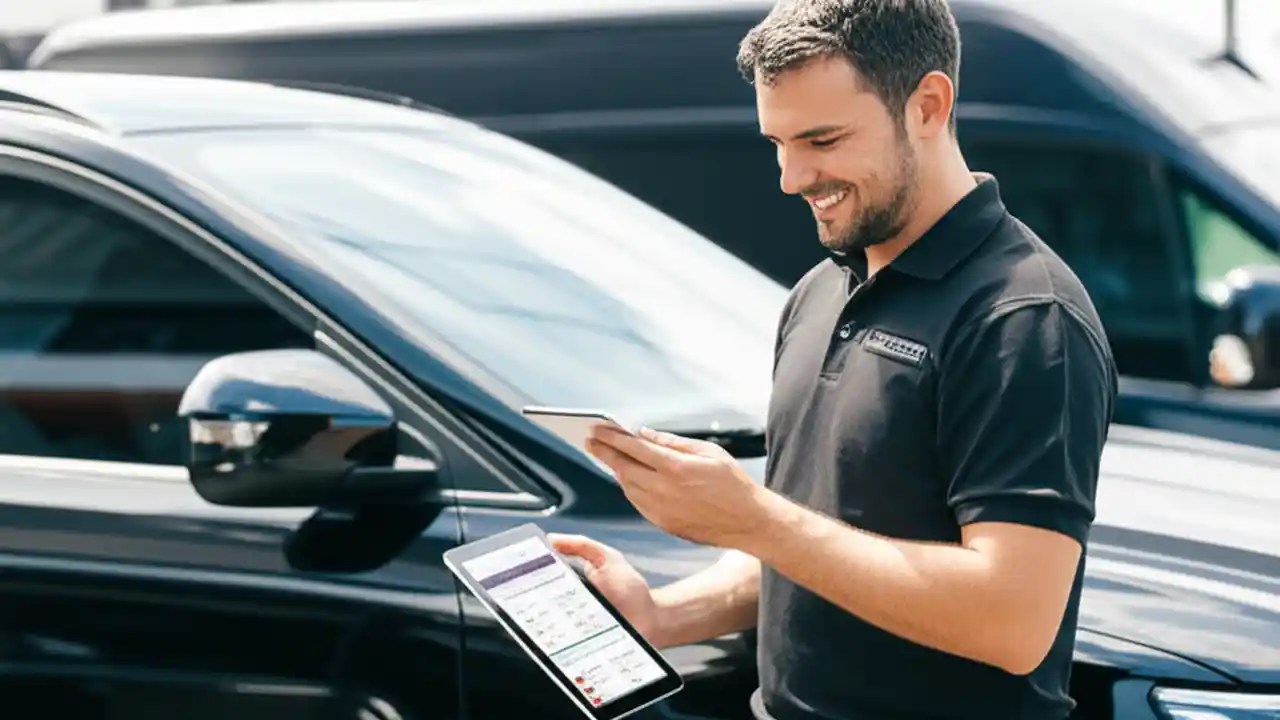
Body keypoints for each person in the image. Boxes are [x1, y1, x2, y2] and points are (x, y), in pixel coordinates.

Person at [550, 0, 1118, 717]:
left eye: (822, 139)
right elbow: (821, 545)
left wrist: (752, 516)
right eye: (778, 143)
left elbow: (1012, 622)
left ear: (928, 106)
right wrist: (663, 613)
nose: (792, 177)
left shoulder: (1025, 317)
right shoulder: (818, 294)